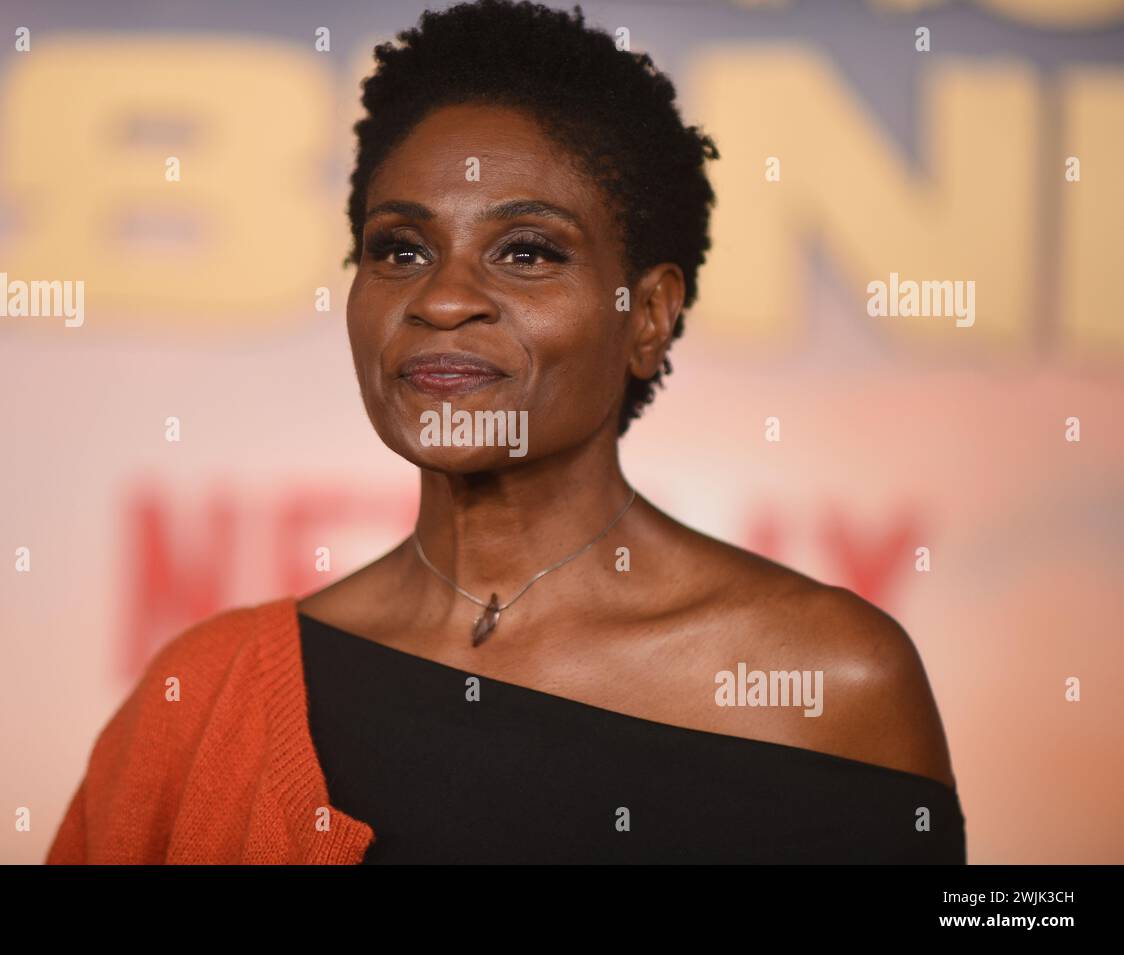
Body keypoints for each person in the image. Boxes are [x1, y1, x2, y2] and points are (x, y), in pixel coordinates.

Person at [47, 0, 964, 865]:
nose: (442, 298)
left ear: (646, 314)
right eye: (399, 249)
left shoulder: (828, 680)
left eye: (527, 251)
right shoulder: (206, 694)